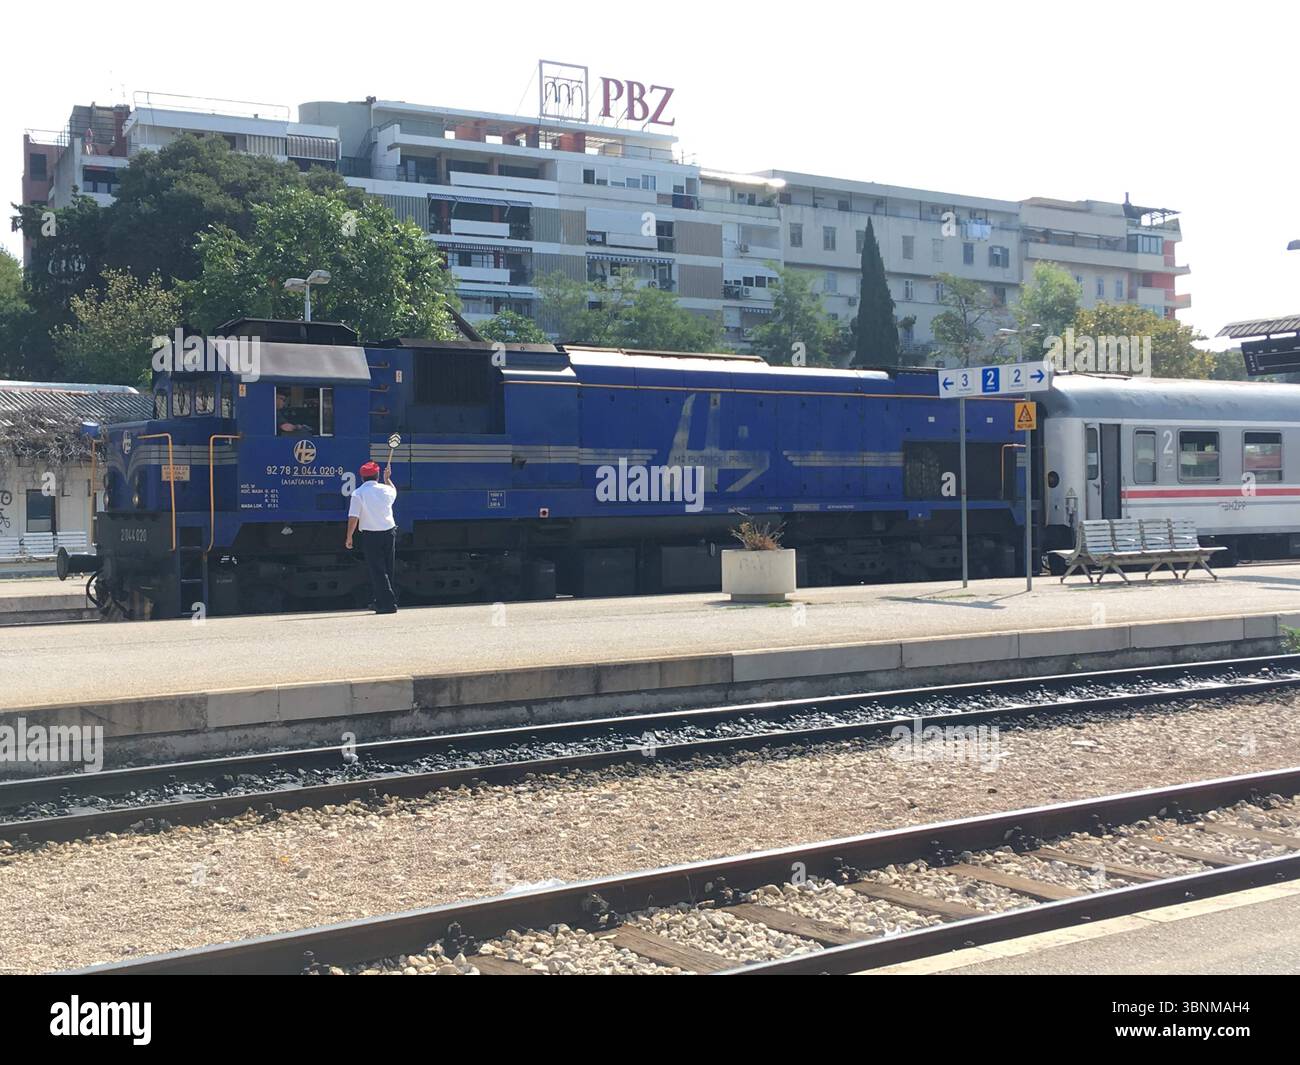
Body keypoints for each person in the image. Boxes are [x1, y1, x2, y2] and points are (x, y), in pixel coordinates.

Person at [345, 460, 398, 614]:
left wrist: (349, 537)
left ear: (362, 477)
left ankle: (388, 604)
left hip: (371, 535)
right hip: (389, 532)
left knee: (377, 570)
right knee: (388, 569)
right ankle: (380, 600)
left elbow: (353, 517)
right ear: (376, 476)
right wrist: (387, 478)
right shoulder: (386, 491)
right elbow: (394, 490)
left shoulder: (358, 494)